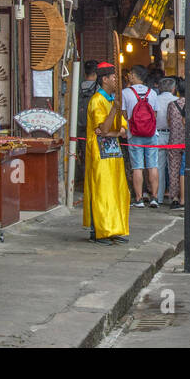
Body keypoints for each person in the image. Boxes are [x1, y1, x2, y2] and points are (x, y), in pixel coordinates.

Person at [79, 61, 129, 246]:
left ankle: (113, 228)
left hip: (113, 148)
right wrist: (114, 112)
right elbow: (104, 128)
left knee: (117, 189)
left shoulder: (111, 99)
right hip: (99, 151)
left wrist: (114, 132)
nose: (117, 80)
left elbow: (123, 129)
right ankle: (98, 230)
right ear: (105, 79)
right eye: (114, 77)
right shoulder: (97, 101)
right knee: (101, 189)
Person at [121, 65, 160, 208]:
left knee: (137, 167)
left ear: (135, 75)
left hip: (134, 133)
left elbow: (124, 115)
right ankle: (154, 197)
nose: (129, 76)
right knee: (153, 165)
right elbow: (155, 115)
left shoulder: (125, 92)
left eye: (130, 73)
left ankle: (138, 199)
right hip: (152, 133)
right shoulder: (153, 93)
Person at [150, 76, 177, 206]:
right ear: (173, 88)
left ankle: (158, 197)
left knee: (159, 166)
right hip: (174, 135)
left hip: (158, 134)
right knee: (173, 167)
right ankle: (174, 197)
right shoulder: (177, 100)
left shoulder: (155, 99)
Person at [75, 60, 98, 185]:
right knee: (95, 156)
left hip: (80, 128)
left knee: (84, 156)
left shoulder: (77, 87)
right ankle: (94, 182)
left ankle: (86, 182)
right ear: (96, 73)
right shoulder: (99, 90)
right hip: (95, 128)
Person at [164, 79, 186, 208]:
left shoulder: (172, 105)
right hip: (188, 140)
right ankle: (186, 194)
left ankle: (175, 197)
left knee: (174, 169)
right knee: (187, 169)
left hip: (174, 140)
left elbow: (169, 121)